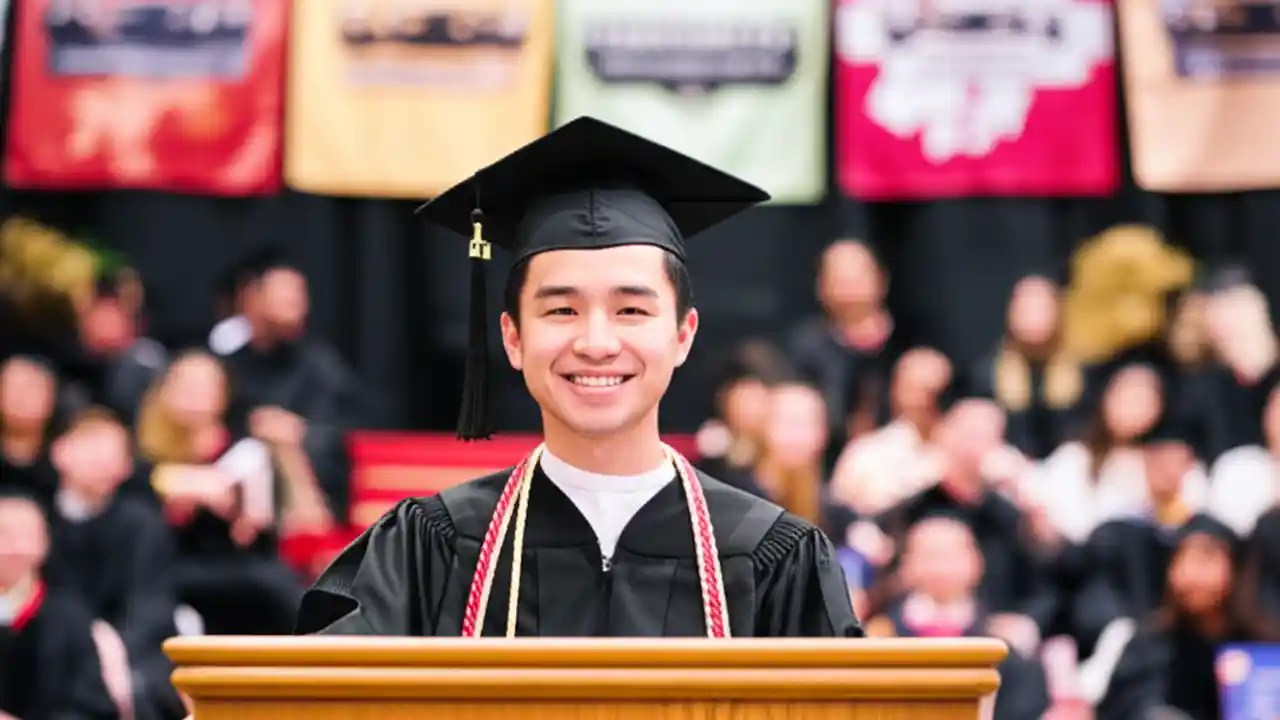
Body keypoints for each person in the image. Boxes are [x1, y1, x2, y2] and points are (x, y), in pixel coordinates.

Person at [295, 116, 863, 638]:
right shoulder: (429, 549)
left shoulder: (771, 555)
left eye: (631, 310)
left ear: (683, 335)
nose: (596, 343)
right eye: (561, 310)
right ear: (512, 338)